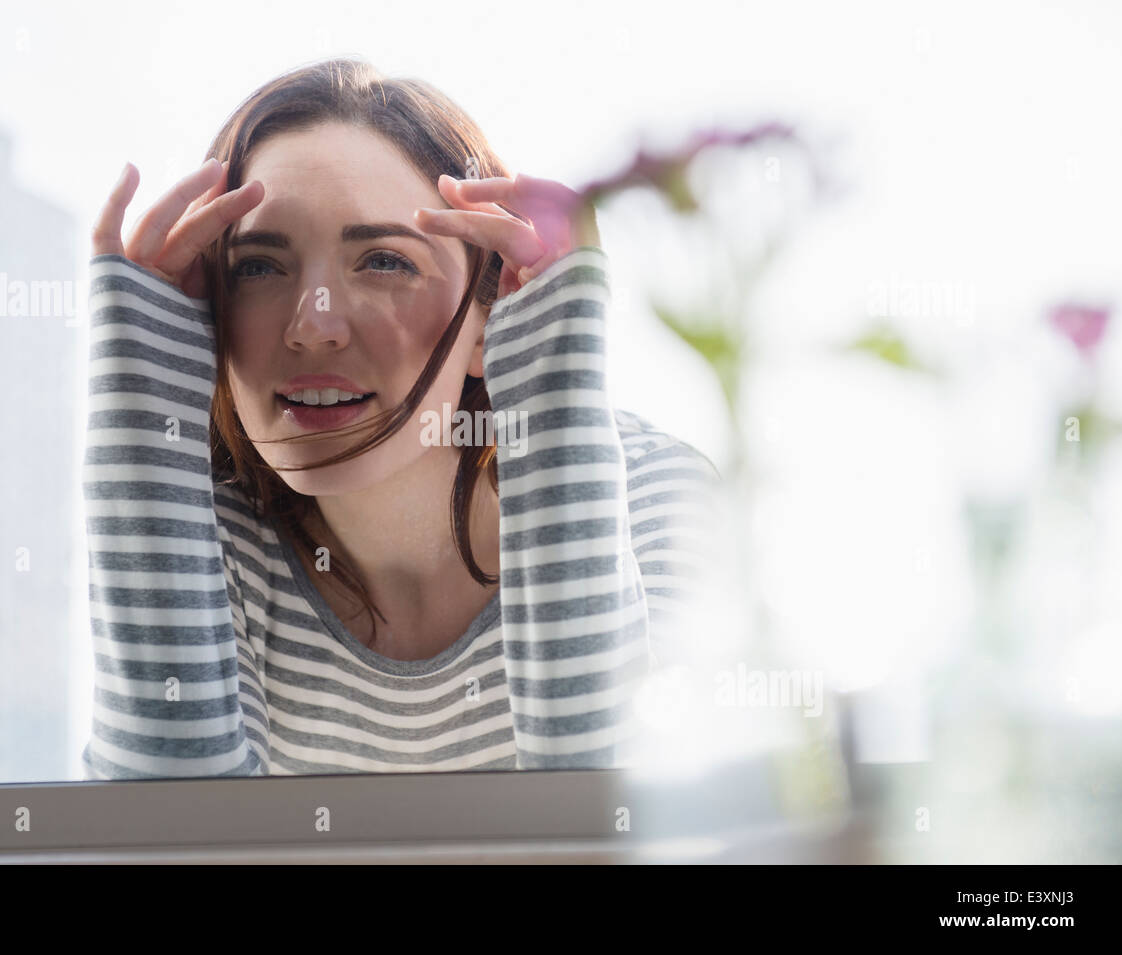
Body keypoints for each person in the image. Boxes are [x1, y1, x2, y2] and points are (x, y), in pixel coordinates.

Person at [81, 57, 722, 778]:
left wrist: (555, 398)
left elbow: (620, 813)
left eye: (384, 261)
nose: (312, 327)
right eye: (258, 266)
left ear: (489, 323)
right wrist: (143, 412)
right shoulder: (215, 533)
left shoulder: (655, 498)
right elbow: (162, 827)